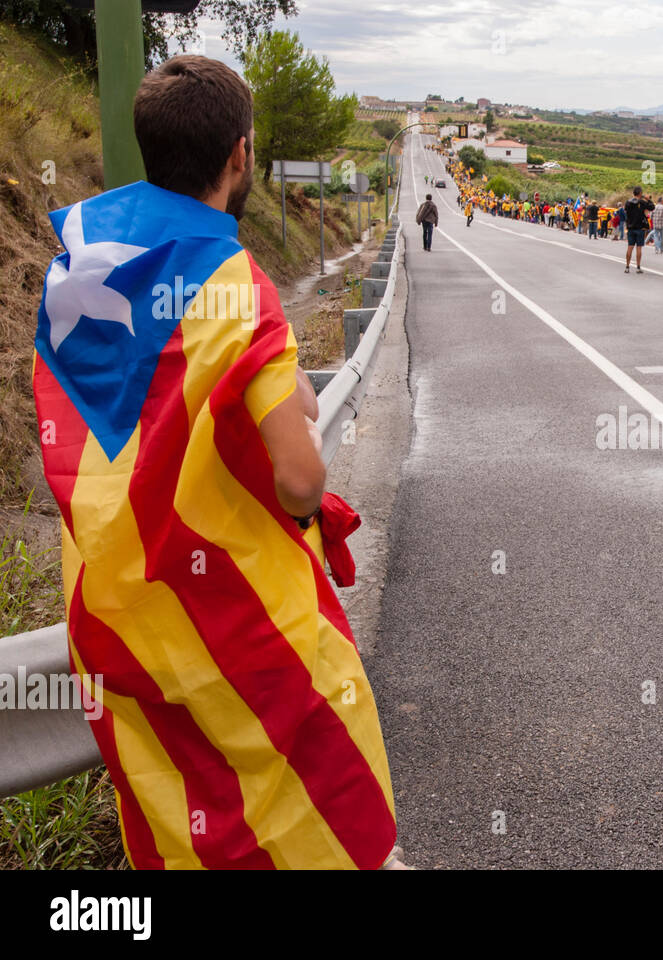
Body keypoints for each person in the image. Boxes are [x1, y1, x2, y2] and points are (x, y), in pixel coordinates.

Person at [31, 54, 400, 870]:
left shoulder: (80, 266)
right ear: (240, 155)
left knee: (175, 801)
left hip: (115, 604)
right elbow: (300, 478)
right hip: (229, 612)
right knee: (306, 793)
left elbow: (136, 408)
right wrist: (301, 504)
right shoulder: (231, 283)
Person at [623, 185, 654, 274]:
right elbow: (652, 207)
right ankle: (638, 267)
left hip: (630, 227)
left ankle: (627, 267)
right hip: (640, 227)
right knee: (639, 248)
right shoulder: (642, 202)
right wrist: (647, 199)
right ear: (640, 193)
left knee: (630, 247)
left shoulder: (628, 202)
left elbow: (626, 212)